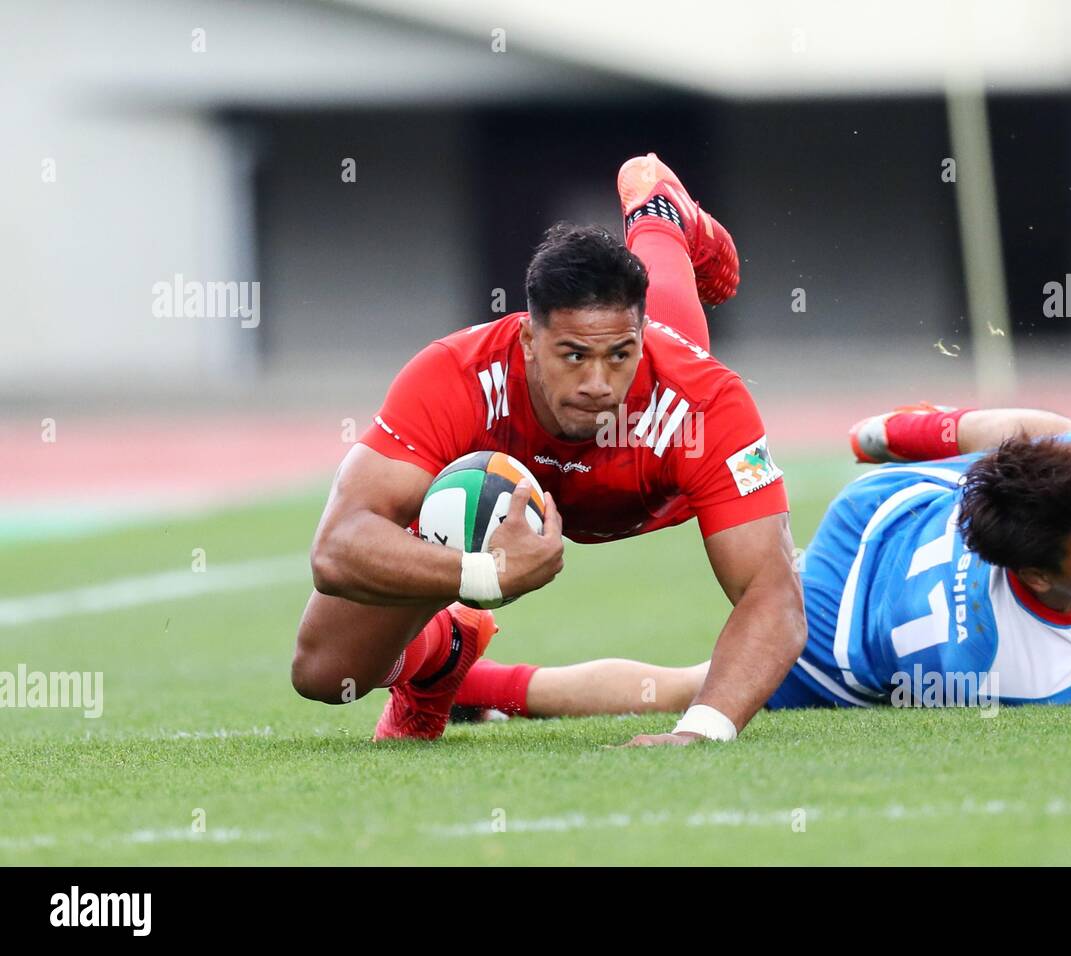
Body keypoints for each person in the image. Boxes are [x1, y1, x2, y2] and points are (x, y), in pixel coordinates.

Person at [291, 154, 805, 746]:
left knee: (674, 320)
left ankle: (659, 213)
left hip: (653, 419)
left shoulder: (703, 399)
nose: (598, 383)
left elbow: (775, 597)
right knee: (327, 674)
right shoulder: (456, 375)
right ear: (529, 340)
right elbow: (335, 547)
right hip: (501, 512)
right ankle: (443, 655)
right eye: (573, 356)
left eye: (620, 355)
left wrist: (701, 732)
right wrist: (484, 573)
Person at [449, 407, 1071, 724]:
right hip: (844, 631)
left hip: (886, 500)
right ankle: (460, 680)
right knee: (691, 687)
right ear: (1033, 577)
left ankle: (919, 429)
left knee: (1047, 438)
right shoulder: (1010, 670)